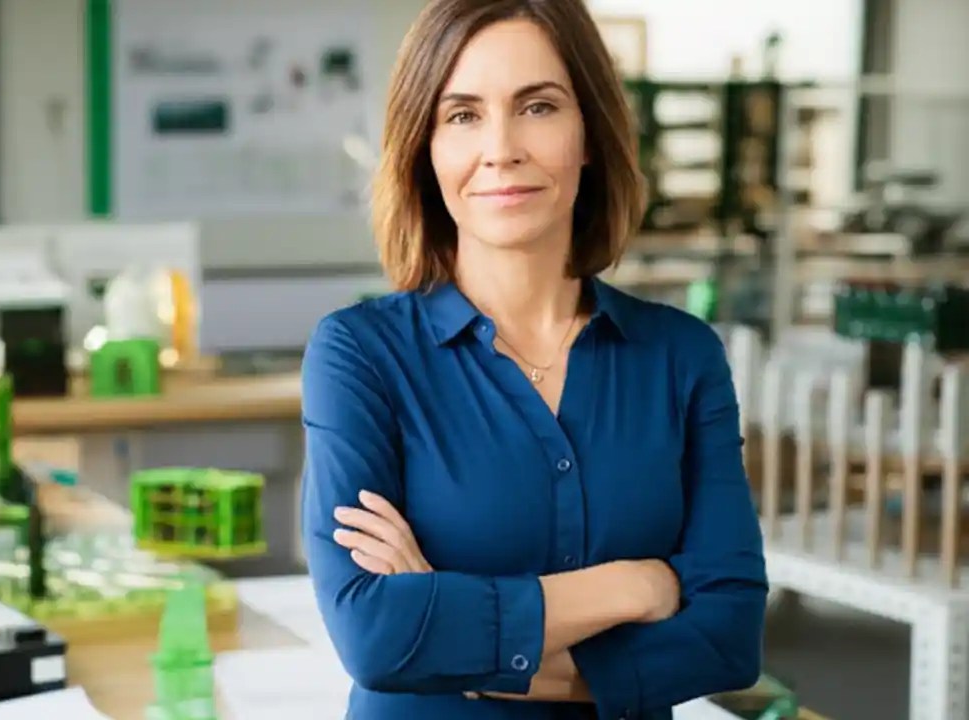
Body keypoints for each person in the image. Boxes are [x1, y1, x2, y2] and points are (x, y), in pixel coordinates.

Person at [298, 1, 769, 718]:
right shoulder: (359, 354)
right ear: (424, 147)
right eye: (462, 115)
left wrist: (458, 634)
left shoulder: (680, 356)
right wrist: (637, 586)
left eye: (539, 106)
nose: (501, 148)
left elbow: (729, 638)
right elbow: (374, 635)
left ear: (588, 134)